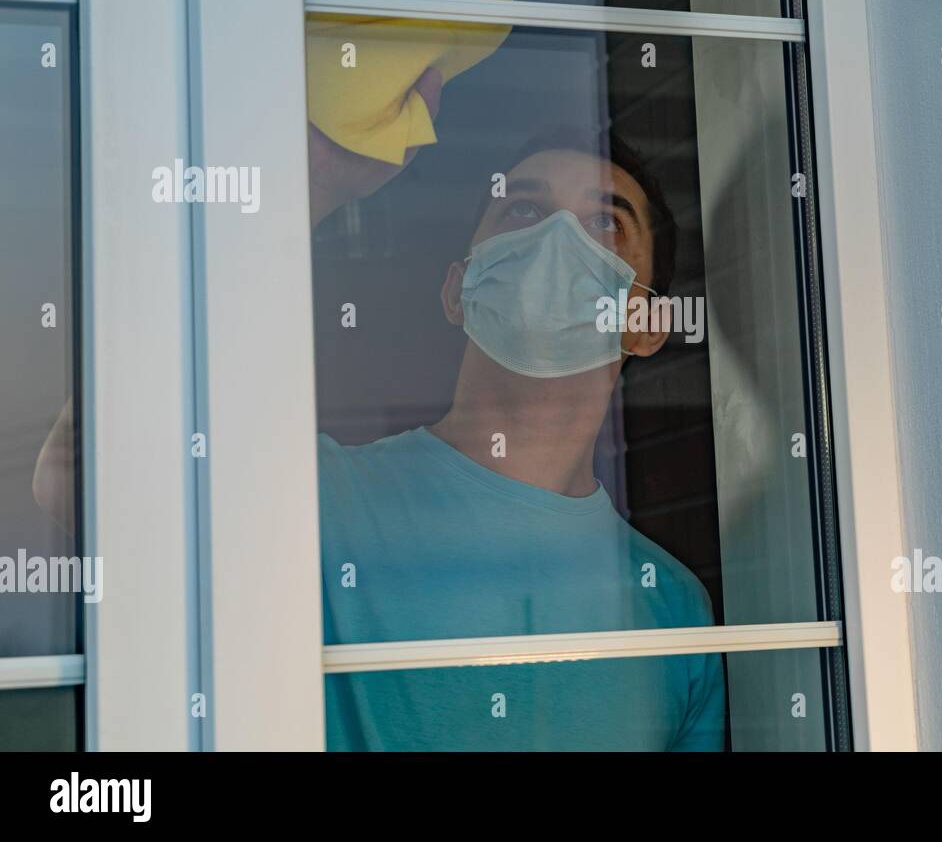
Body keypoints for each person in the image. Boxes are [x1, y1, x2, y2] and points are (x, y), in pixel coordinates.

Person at [34, 67, 726, 751]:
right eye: (523, 209)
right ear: (459, 290)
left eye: (604, 221)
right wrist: (306, 186)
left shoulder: (673, 608)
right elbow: (74, 476)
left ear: (646, 323)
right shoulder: (319, 502)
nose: (555, 241)